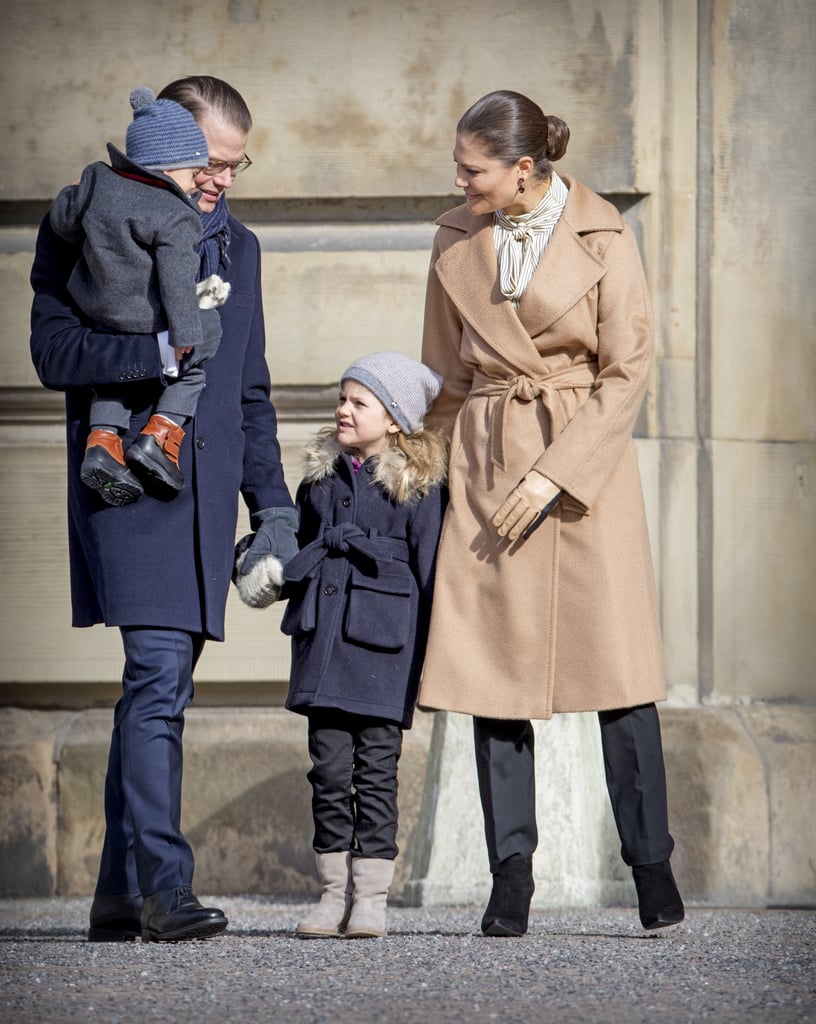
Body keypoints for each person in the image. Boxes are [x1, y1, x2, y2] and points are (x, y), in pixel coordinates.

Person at [30, 76, 298, 942]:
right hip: (127, 483)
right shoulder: (80, 219)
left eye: (234, 165)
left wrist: (274, 508)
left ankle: (116, 891)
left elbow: (249, 391)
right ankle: (166, 890)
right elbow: (53, 349)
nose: (219, 179)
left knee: (160, 682)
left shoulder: (242, 247)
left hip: (204, 493)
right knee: (155, 679)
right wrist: (157, 349)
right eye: (208, 162)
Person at [417, 90, 685, 937]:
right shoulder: (455, 237)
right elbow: (442, 377)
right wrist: (420, 468)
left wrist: (557, 474)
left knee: (621, 679)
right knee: (490, 677)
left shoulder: (605, 234)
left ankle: (652, 869)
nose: (459, 181)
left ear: (522, 169)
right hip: (488, 458)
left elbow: (627, 370)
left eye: (473, 168)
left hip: (585, 470)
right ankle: (511, 879)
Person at [258, 352, 447, 939]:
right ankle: (330, 895)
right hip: (324, 644)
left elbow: (431, 574)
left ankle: (370, 901)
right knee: (329, 772)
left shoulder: (418, 488)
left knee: (377, 772)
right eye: (342, 398)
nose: (342, 409)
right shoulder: (318, 479)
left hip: (385, 651)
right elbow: (300, 545)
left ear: (393, 418)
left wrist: (429, 666)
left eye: (358, 401)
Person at [49, 86, 230, 505]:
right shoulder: (176, 213)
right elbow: (175, 280)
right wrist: (185, 335)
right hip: (142, 319)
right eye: (192, 173)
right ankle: (159, 435)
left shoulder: (96, 179)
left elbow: (61, 222)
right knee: (204, 345)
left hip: (96, 312)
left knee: (109, 382)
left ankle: (103, 442)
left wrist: (71, 194)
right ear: (168, 171)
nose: (196, 183)